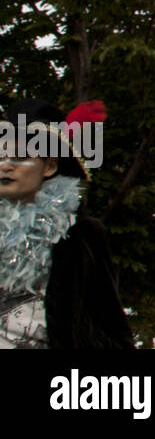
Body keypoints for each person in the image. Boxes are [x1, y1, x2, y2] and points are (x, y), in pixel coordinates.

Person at [0, 99, 133, 349]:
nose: (6, 165)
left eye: (19, 156)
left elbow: (111, 323)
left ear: (49, 166)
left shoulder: (80, 234)